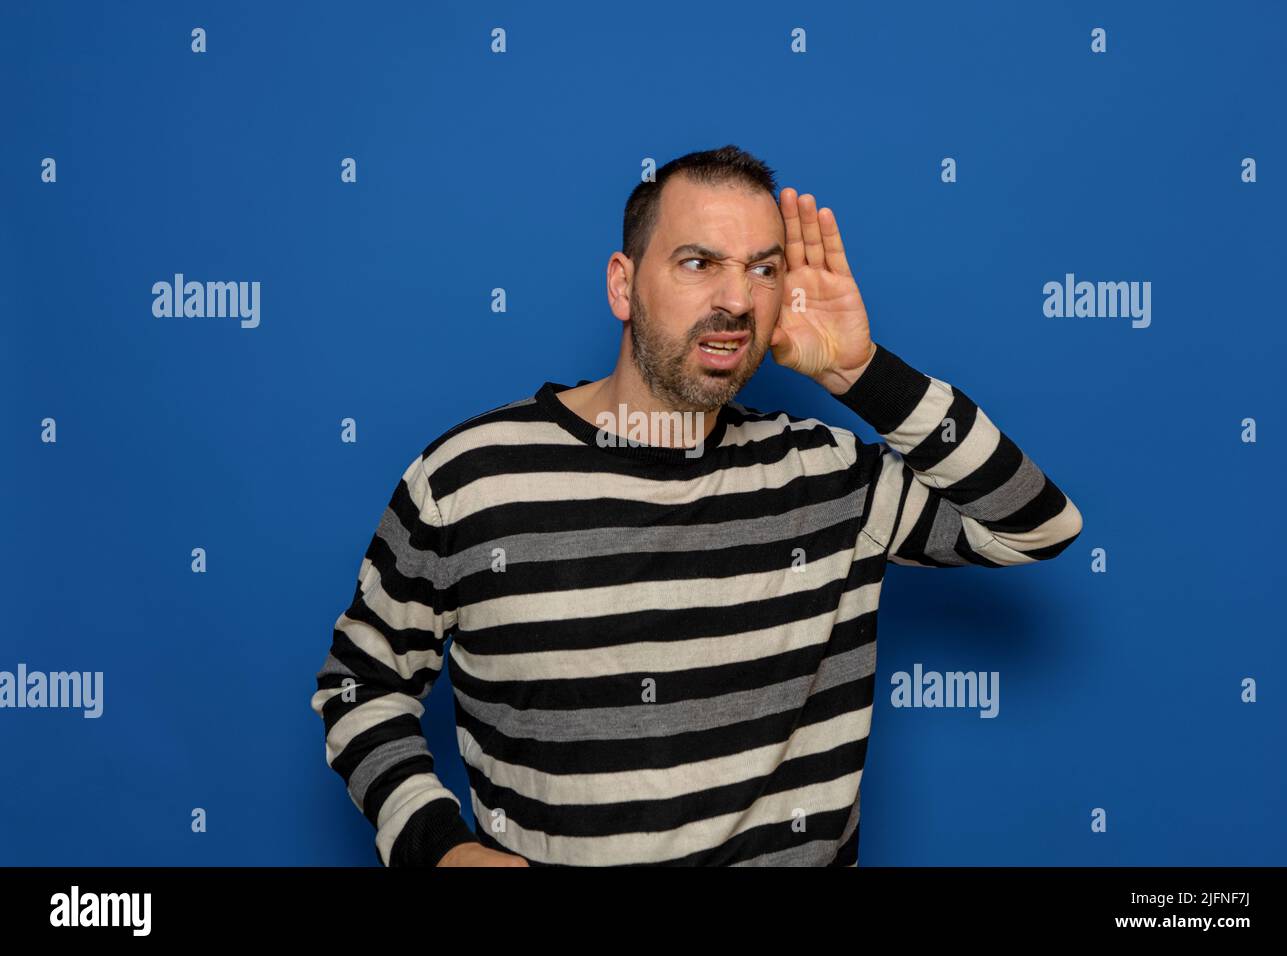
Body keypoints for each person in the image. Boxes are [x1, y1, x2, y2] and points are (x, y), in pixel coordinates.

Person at [310, 145, 1084, 867]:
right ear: (623, 283)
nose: (735, 300)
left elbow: (1038, 525)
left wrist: (860, 371)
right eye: (698, 262)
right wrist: (440, 850)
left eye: (762, 269)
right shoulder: (469, 479)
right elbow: (360, 685)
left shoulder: (830, 478)